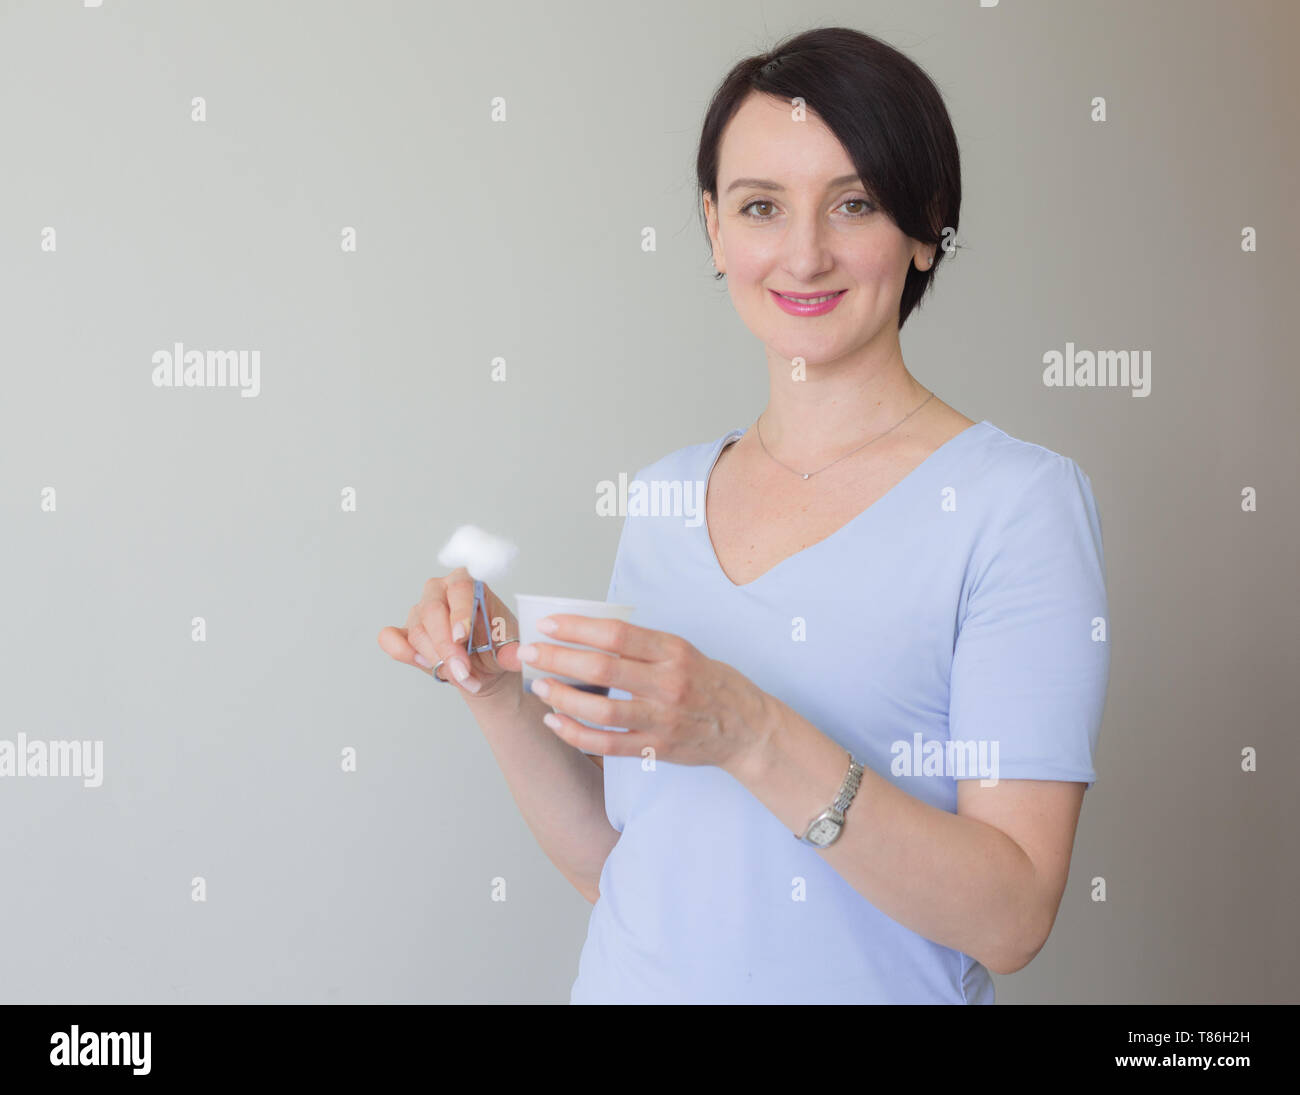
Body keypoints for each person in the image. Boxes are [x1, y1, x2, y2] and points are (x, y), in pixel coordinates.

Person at [378, 26, 1110, 1004]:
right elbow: (621, 868)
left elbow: (1012, 918)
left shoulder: (1016, 506)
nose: (803, 254)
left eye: (853, 203)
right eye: (761, 206)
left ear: (926, 224)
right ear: (716, 232)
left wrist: (747, 730)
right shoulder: (667, 494)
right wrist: (497, 690)